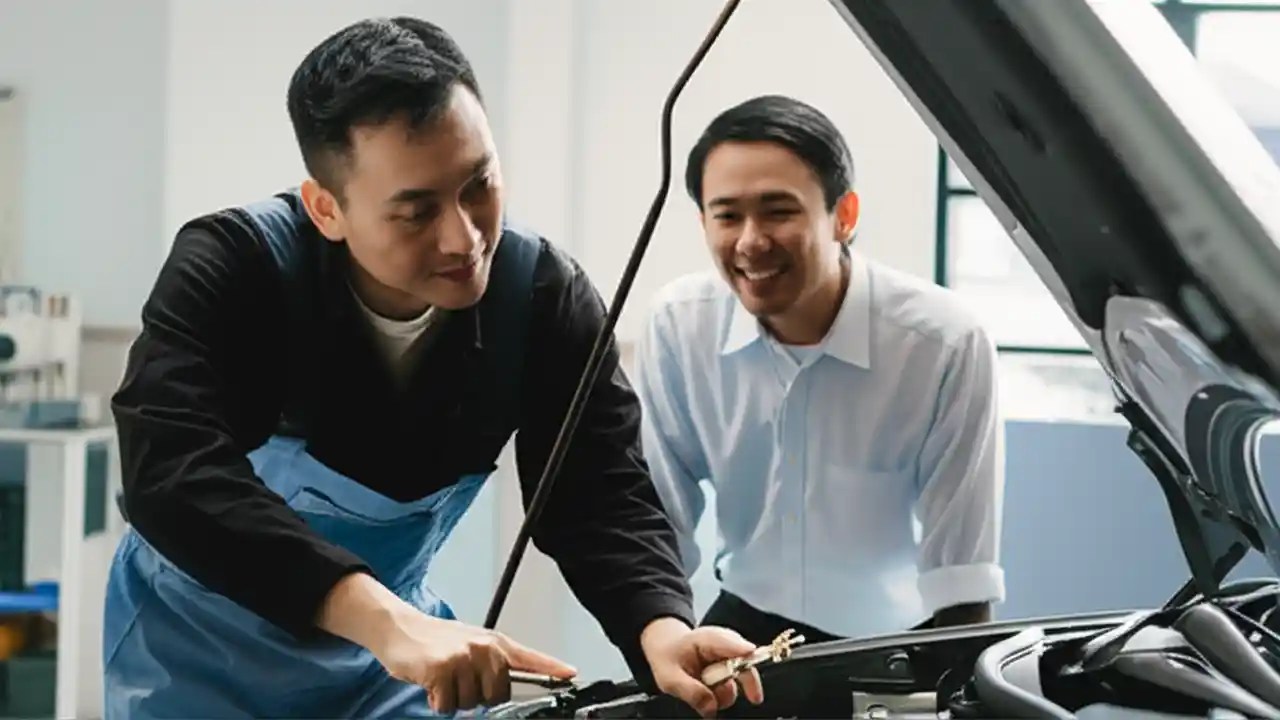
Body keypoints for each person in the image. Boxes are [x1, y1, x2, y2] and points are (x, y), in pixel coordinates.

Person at [102, 17, 765, 720]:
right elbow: (170, 472)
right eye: (415, 212)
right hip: (198, 657)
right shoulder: (236, 270)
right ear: (326, 209)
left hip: (385, 666)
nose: (465, 236)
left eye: (479, 185)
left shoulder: (537, 297)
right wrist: (387, 623)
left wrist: (659, 627)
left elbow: (597, 491)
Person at [633, 95, 1006, 649]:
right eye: (728, 215)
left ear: (844, 216)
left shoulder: (945, 343)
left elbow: (963, 573)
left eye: (779, 211)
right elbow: (659, 521)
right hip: (744, 623)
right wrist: (664, 647)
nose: (751, 241)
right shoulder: (677, 325)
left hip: (893, 639)